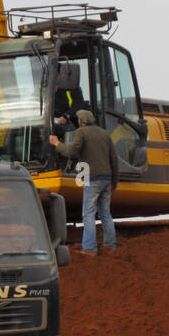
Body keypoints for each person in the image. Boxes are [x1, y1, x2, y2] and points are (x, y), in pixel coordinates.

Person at [48, 109, 119, 255]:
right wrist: (115, 181)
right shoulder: (104, 133)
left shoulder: (81, 132)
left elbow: (72, 151)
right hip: (107, 178)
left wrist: (57, 144)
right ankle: (110, 246)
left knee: (88, 214)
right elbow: (114, 159)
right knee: (105, 214)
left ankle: (89, 249)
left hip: (92, 178)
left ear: (81, 122)